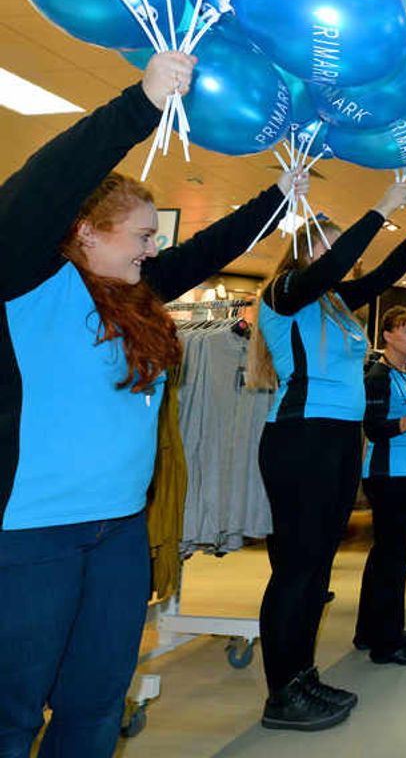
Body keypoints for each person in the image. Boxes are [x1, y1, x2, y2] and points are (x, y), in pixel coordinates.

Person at [0, 52, 304, 755]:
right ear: (84, 231)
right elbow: (43, 185)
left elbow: (205, 252)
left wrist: (278, 199)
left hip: (118, 533)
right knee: (11, 718)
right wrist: (139, 106)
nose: (152, 249)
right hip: (31, 535)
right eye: (141, 236)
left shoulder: (135, 299)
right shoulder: (24, 280)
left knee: (97, 705)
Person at [246, 179, 406, 731]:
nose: (342, 260)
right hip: (301, 437)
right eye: (330, 248)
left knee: (317, 568)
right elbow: (331, 269)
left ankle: (301, 675)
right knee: (297, 568)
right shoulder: (285, 292)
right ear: (308, 249)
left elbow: (383, 275)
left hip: (339, 439)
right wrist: (379, 208)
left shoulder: (335, 303)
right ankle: (281, 693)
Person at [354, 306, 406, 668]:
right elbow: (374, 428)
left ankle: (370, 631)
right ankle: (388, 642)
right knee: (394, 558)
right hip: (386, 474)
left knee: (384, 555)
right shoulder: (378, 376)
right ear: (386, 335)